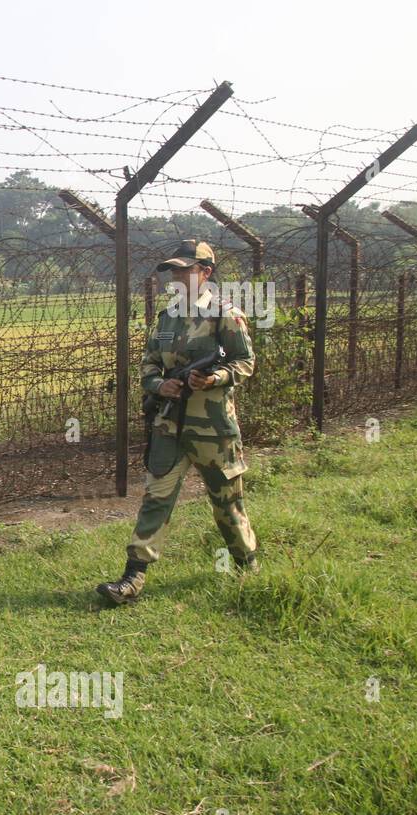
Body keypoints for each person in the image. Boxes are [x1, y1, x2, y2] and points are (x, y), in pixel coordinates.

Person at [96, 239, 259, 605]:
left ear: (206, 272)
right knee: (157, 497)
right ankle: (132, 578)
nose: (178, 277)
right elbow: (150, 363)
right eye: (174, 271)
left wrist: (214, 379)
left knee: (226, 502)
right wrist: (160, 384)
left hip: (213, 428)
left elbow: (245, 362)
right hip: (170, 424)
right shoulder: (167, 316)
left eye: (186, 270)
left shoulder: (225, 314)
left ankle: (247, 566)